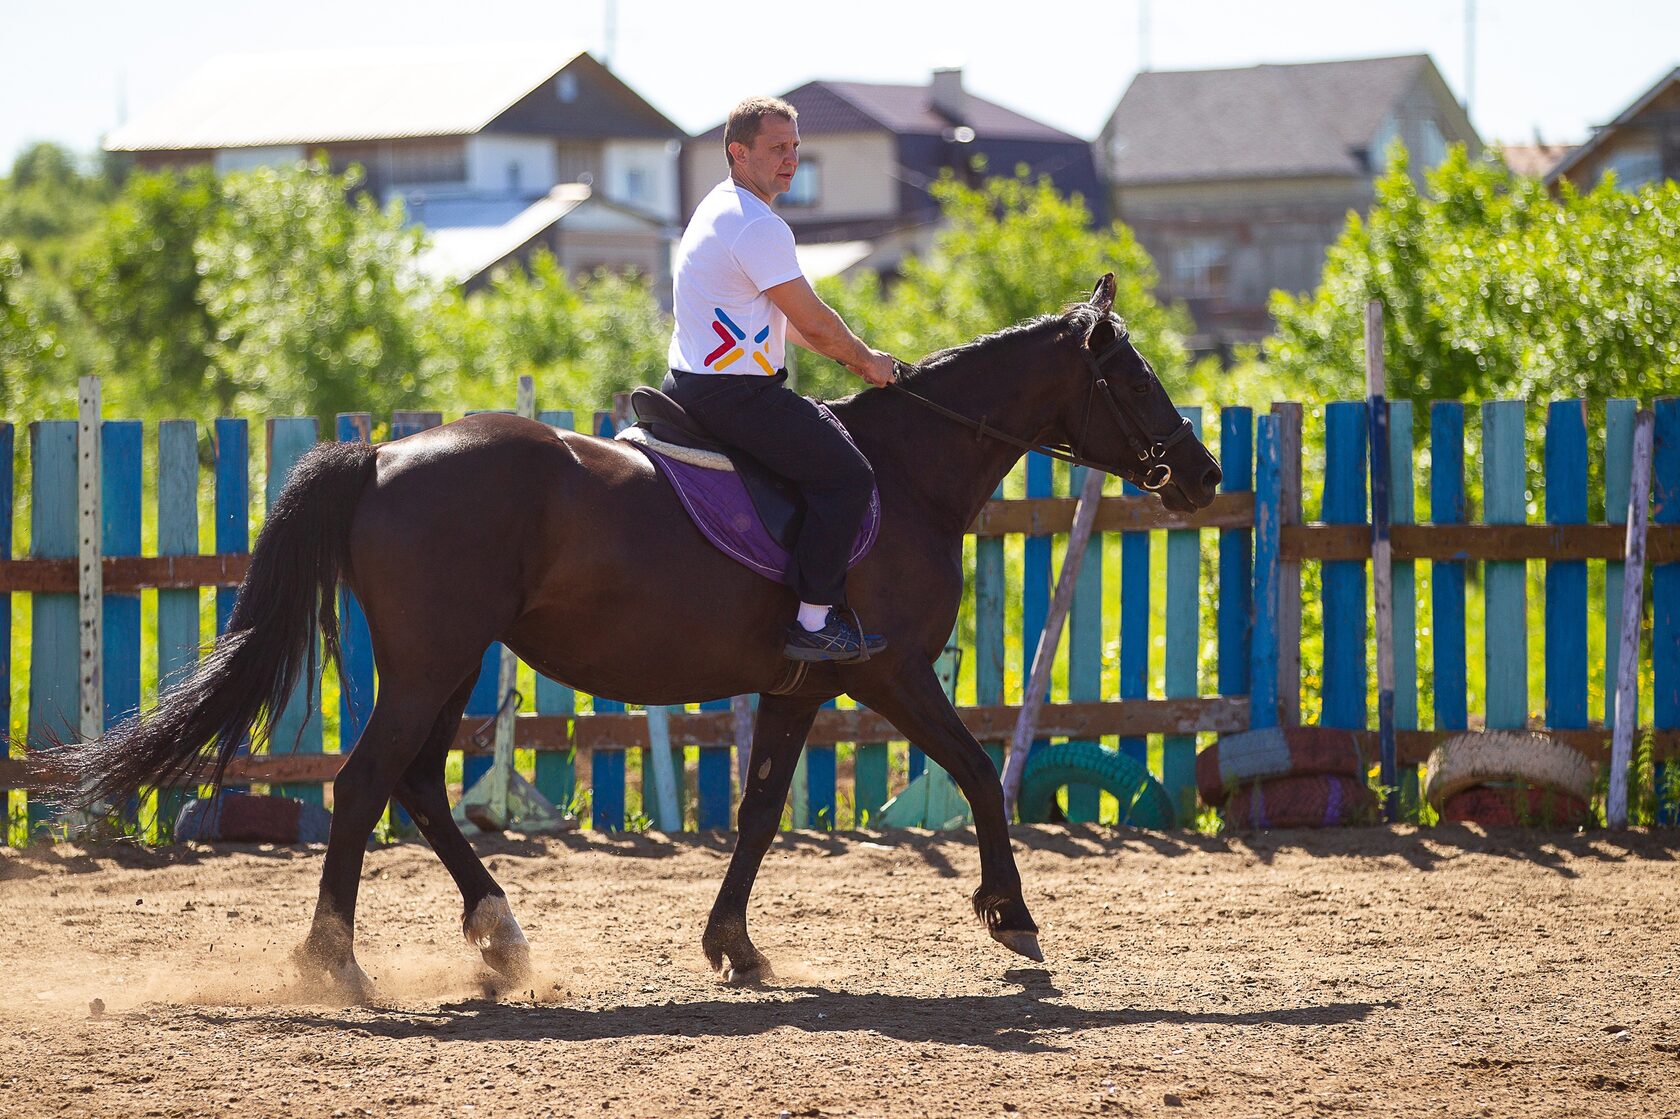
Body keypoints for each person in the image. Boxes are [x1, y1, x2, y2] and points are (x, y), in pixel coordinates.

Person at [664, 96, 895, 663]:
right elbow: (814, 324)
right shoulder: (757, 226)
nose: (790, 159)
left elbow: (776, 322)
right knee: (846, 476)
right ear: (738, 153)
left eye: (795, 147)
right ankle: (813, 623)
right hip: (736, 396)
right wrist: (867, 362)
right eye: (777, 148)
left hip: (690, 384)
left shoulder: (719, 208)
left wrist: (846, 352)